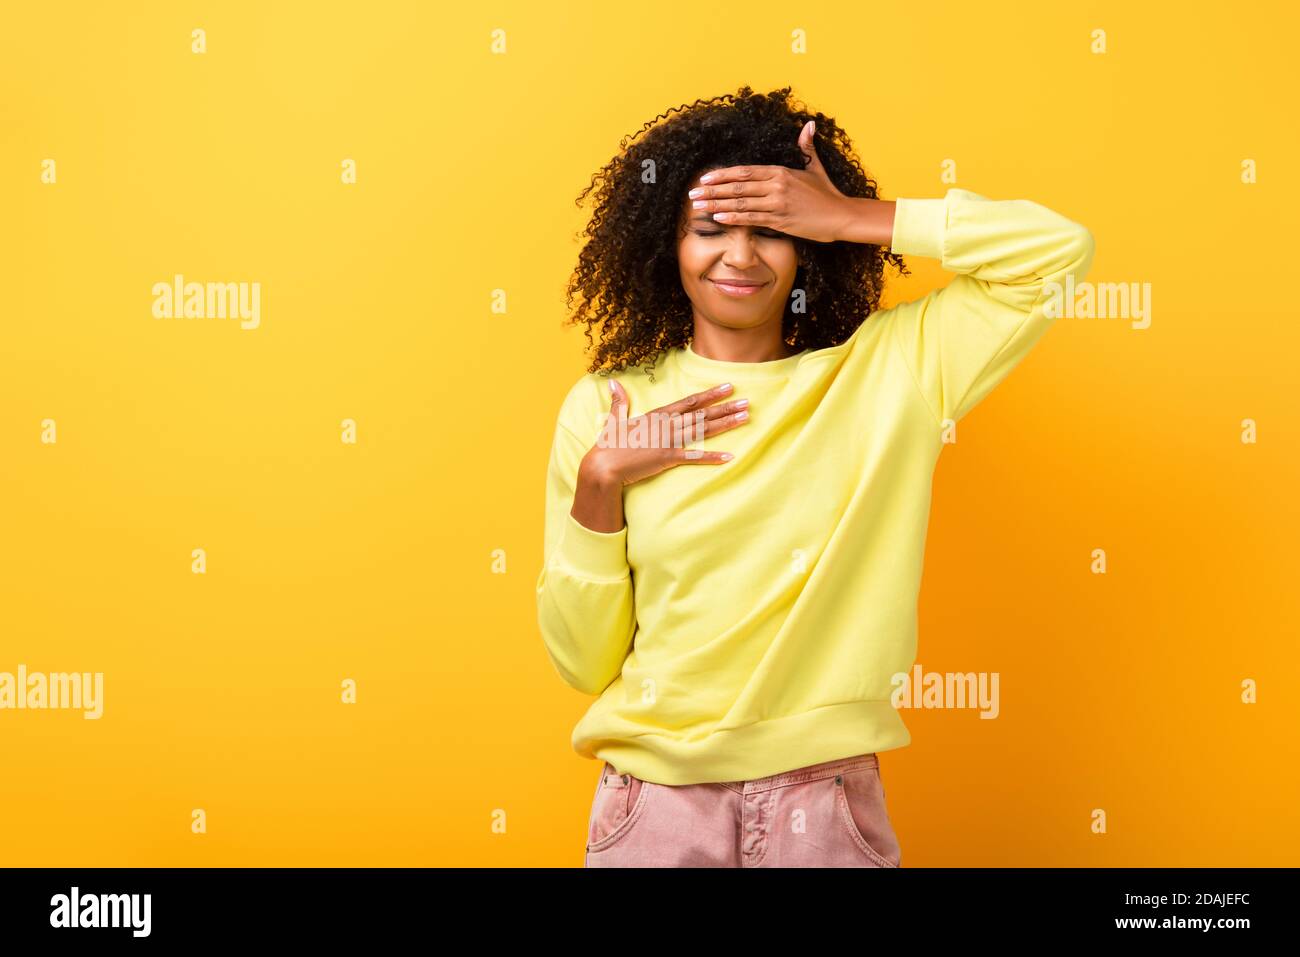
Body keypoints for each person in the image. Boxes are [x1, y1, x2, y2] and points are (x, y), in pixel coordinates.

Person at [536, 85, 1095, 867]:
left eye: (771, 229)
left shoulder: (892, 374)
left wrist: (856, 217)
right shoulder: (608, 408)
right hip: (654, 808)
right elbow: (582, 662)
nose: (740, 254)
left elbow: (1059, 253)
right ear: (670, 245)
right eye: (711, 229)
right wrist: (601, 482)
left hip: (824, 807)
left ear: (805, 249)